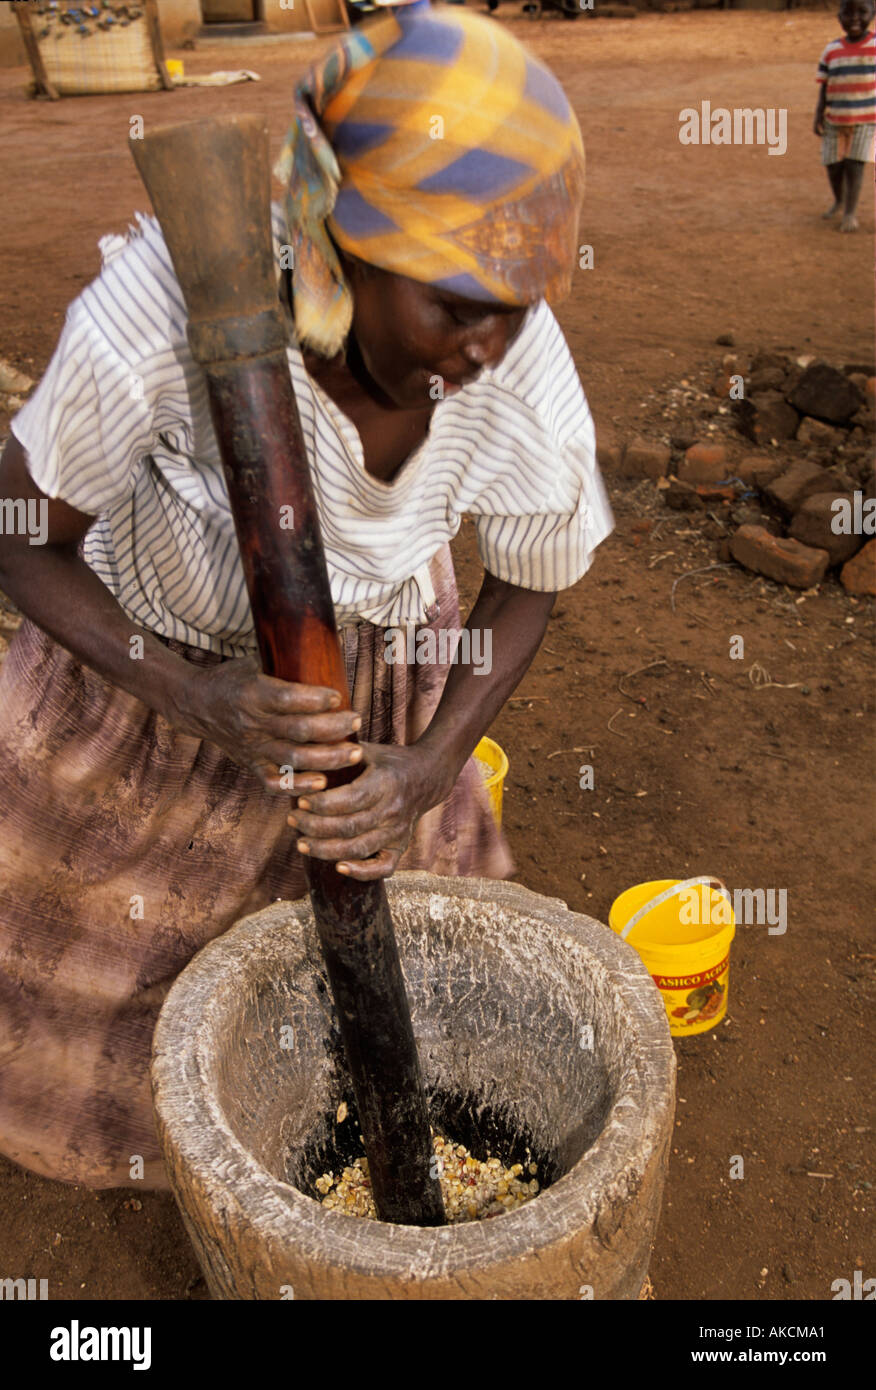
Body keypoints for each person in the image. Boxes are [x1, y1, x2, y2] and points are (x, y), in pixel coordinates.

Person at [0, 0, 612, 1190]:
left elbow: (532, 581)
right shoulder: (163, 309)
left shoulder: (511, 356)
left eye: (517, 305)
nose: (489, 344)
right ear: (332, 239)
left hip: (372, 705)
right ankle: (152, 1157)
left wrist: (430, 764)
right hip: (150, 680)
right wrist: (192, 690)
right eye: (450, 304)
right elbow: (16, 533)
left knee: (391, 995)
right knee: (113, 994)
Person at [814, 0, 876, 232]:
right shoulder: (831, 50)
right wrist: (819, 113)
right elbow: (824, 84)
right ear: (838, 16)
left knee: (855, 163)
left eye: (862, 12)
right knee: (832, 164)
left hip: (866, 117)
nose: (854, 18)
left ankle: (850, 213)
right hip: (835, 116)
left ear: (873, 12)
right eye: (847, 13)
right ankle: (839, 200)